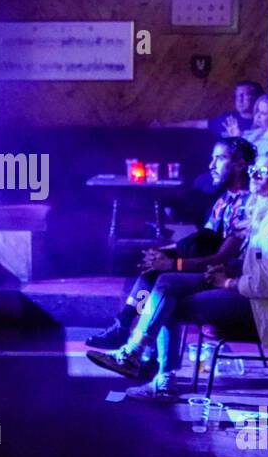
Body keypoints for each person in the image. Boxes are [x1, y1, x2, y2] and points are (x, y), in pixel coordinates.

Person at [87, 151, 268, 401]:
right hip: (240, 283)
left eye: (262, 171)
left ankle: (147, 361)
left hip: (261, 305)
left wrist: (194, 268)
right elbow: (204, 239)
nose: (253, 175)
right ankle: (127, 326)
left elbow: (256, 276)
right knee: (153, 277)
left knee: (166, 294)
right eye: (253, 170)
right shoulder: (243, 205)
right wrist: (168, 253)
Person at [85, 137, 255, 350]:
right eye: (212, 159)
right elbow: (204, 239)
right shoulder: (225, 199)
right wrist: (162, 251)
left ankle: (133, 340)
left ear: (240, 164)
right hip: (211, 265)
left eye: (219, 159)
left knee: (163, 280)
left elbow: (222, 258)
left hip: (227, 275)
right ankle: (125, 326)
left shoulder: (249, 204)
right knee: (151, 270)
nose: (211, 166)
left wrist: (174, 264)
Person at [152, 79, 262, 137]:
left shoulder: (263, 123)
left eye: (244, 95)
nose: (239, 99)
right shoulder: (226, 119)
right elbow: (196, 124)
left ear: (257, 97)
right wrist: (165, 125)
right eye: (237, 95)